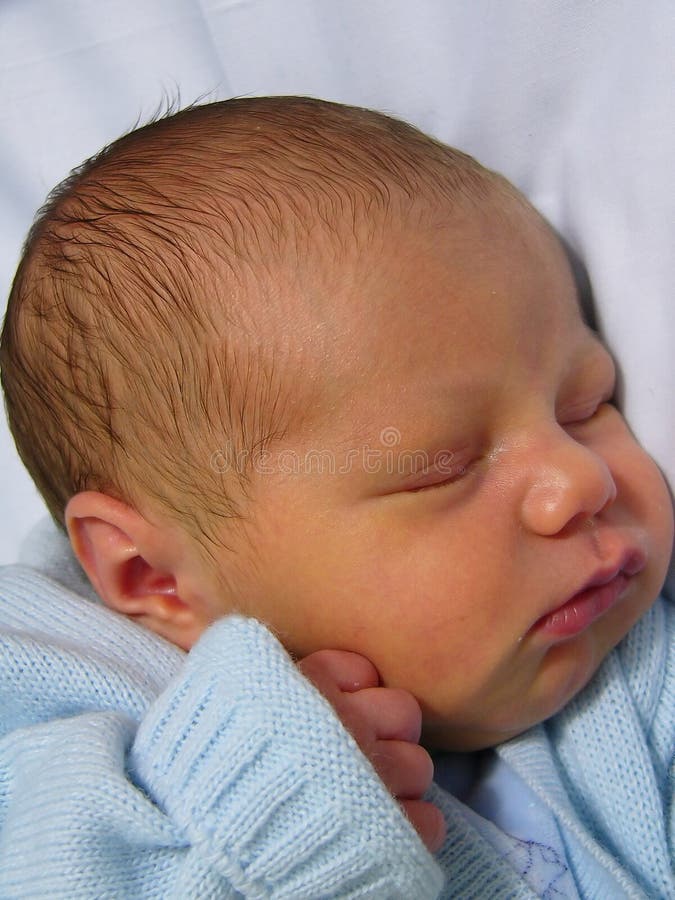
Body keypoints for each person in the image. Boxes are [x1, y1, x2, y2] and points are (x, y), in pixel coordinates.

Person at [0, 96, 672, 898]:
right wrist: (252, 820)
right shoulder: (54, 705)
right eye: (442, 467)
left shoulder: (635, 665)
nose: (583, 480)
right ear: (155, 575)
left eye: (584, 403)